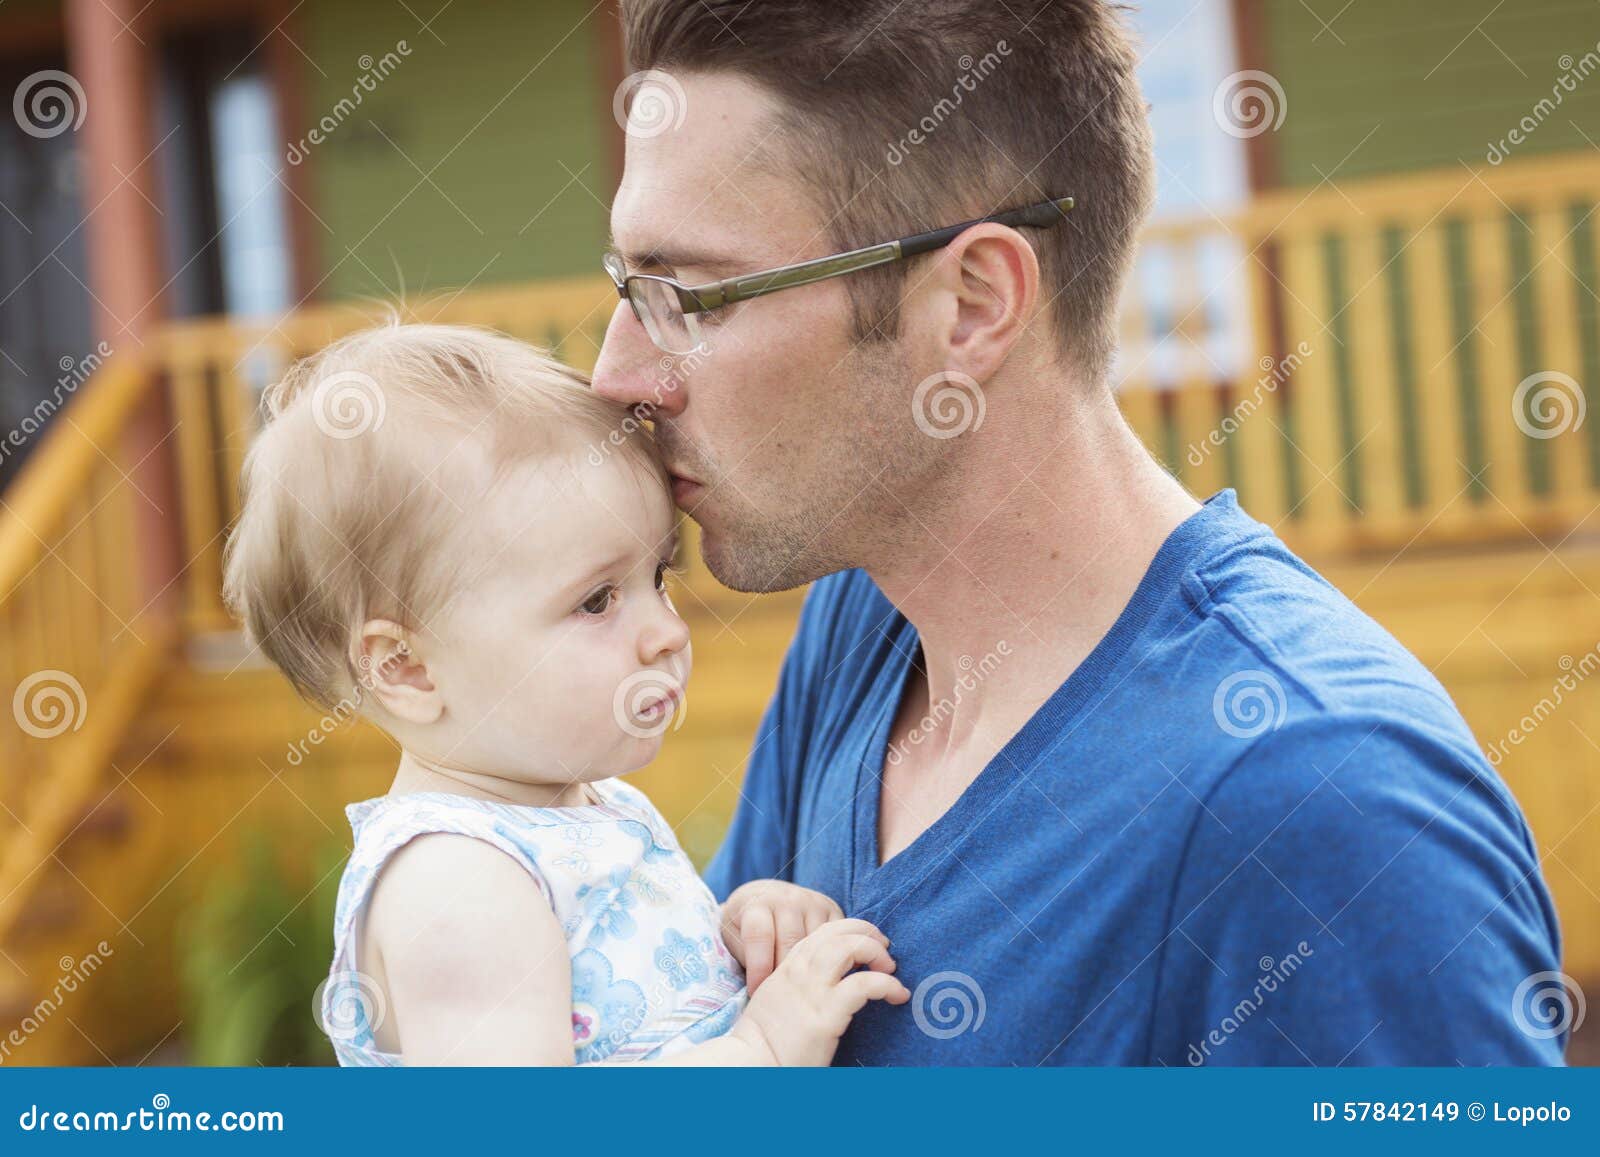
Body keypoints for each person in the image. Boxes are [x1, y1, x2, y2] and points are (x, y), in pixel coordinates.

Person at [590, 0, 1566, 1064]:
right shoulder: (865, 623)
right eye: (626, 289)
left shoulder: (1321, 804)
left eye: (688, 294)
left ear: (970, 304)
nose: (617, 376)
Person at [223, 323, 908, 1065]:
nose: (666, 634)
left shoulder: (585, 805)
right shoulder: (457, 886)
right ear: (406, 668)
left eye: (658, 575)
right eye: (595, 601)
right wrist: (763, 1044)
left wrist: (739, 936)